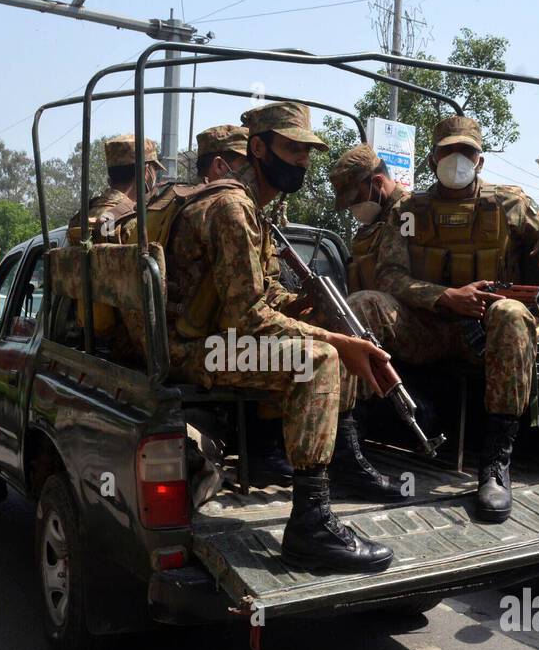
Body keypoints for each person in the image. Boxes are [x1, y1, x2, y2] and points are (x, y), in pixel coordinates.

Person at [162, 101, 403, 573]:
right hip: (197, 349)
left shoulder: (251, 205)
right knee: (318, 360)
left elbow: (258, 292)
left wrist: (311, 308)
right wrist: (337, 343)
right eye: (292, 149)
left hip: (218, 337)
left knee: (340, 326)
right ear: (258, 148)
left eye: (306, 152)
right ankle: (309, 526)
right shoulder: (232, 206)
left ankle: (346, 463)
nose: (302, 161)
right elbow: (248, 318)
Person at [344, 116, 539, 523]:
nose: (457, 159)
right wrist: (444, 296)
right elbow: (389, 276)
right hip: (427, 328)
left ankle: (495, 468)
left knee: (511, 311)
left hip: (486, 333)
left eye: (465, 152)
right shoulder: (409, 210)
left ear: (480, 160)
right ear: (432, 160)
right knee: (362, 303)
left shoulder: (510, 203)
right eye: (448, 151)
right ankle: (348, 450)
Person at [328, 144, 407, 294]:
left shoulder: (409, 212)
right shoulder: (375, 221)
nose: (353, 206)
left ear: (377, 182)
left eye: (356, 198)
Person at [67, 135, 164, 244]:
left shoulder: (79, 219)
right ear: (145, 172)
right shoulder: (139, 222)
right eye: (154, 169)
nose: (155, 174)